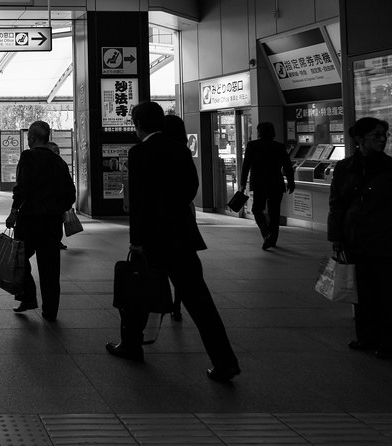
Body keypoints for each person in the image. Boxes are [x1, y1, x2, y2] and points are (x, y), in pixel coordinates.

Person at [106, 102, 240, 382]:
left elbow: (139, 201)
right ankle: (224, 361)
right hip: (181, 237)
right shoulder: (180, 149)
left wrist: (136, 240)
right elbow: (192, 187)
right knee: (200, 303)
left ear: (138, 125)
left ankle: (131, 345)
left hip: (152, 239)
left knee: (138, 293)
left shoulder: (139, 152)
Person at [328, 117, 392, 359]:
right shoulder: (345, 168)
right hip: (356, 241)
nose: (382, 139)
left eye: (384, 135)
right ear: (359, 139)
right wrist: (336, 237)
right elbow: (337, 204)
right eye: (376, 135)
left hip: (389, 243)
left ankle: (391, 345)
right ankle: (366, 337)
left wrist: (384, 218)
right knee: (363, 293)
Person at [4, 122, 75, 321]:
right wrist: (57, 209)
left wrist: (14, 211)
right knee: (50, 268)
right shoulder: (58, 162)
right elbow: (70, 194)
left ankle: (28, 297)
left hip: (29, 221)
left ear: (32, 138)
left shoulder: (28, 156)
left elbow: (22, 188)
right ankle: (50, 312)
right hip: (52, 223)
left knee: (19, 258)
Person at [240, 122, 295, 250]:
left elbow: (246, 166)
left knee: (257, 209)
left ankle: (266, 234)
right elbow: (287, 166)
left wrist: (242, 184)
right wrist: (291, 182)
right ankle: (273, 239)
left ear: (259, 132)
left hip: (259, 183)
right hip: (276, 183)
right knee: (274, 212)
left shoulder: (252, 145)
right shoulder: (279, 146)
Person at [161, 114, 190, 322]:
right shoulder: (183, 151)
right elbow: (192, 185)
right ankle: (177, 306)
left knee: (157, 267)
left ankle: (163, 304)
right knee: (183, 269)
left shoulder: (151, 151)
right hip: (182, 215)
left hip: (159, 218)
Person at [45, 141, 70, 250]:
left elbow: (68, 185)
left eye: (57, 151)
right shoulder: (45, 165)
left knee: (57, 225)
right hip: (51, 204)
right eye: (54, 151)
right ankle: (53, 242)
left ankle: (56, 241)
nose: (56, 153)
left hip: (57, 204)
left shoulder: (61, 164)